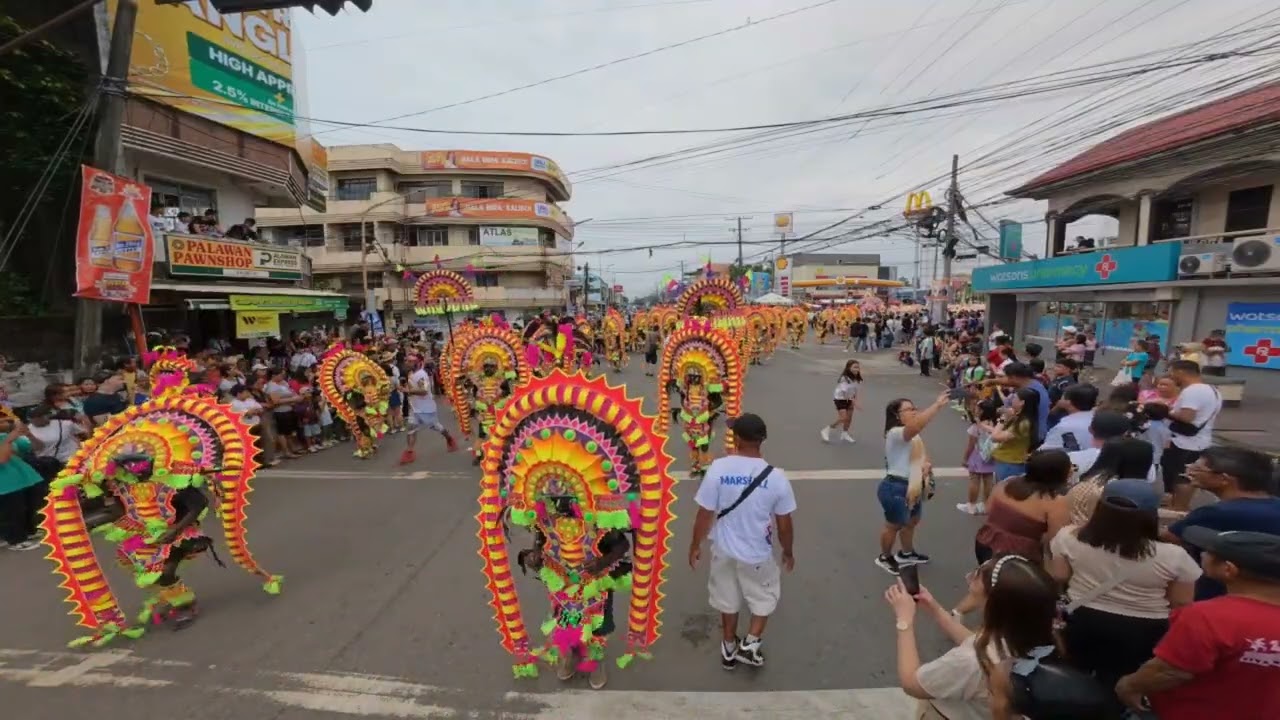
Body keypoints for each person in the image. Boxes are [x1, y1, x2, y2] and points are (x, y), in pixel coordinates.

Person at [1049, 479, 1200, 713]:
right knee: (1124, 679)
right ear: (1151, 514)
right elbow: (1181, 603)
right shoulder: (1174, 556)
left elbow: (1059, 575)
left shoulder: (1069, 537)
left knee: (1079, 672)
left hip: (1083, 618)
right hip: (1144, 628)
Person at [1116, 528, 1280, 720]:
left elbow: (1170, 671)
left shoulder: (1207, 616)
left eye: (1209, 552)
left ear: (1229, 569)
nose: (1202, 554)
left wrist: (1128, 686)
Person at [689, 413, 796, 670]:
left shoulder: (718, 469)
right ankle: (750, 643)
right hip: (757, 553)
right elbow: (784, 524)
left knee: (728, 597)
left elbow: (705, 513)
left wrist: (695, 545)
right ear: (762, 441)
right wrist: (788, 552)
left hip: (723, 549)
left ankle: (728, 645)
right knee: (764, 597)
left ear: (736, 438)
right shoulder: (777, 477)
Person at [883, 562, 1003, 720]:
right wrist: (934, 607)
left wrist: (904, 620)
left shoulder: (967, 662)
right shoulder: (1019, 637)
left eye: (977, 577)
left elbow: (911, 684)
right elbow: (977, 643)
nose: (969, 578)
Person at [1166, 446, 1280, 600]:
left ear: (1224, 479)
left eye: (1198, 468)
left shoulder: (1214, 513)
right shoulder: (1275, 504)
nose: (1189, 468)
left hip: (1216, 593)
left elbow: (1169, 536)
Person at [876, 392, 949, 575]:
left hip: (913, 486)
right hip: (896, 487)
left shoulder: (912, 436)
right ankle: (885, 556)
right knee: (893, 525)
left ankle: (906, 553)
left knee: (912, 521)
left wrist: (926, 464)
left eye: (914, 408)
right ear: (897, 415)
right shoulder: (895, 433)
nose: (914, 411)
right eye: (909, 409)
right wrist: (937, 405)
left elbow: (921, 452)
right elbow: (915, 427)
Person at [975, 449, 1071, 564]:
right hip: (1018, 558)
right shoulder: (1056, 502)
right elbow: (1056, 539)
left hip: (986, 542)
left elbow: (988, 509)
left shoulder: (1007, 483)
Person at [1163, 359, 1222, 511]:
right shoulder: (1213, 390)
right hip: (1199, 440)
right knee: (1186, 476)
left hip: (1185, 442)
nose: (1170, 376)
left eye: (1171, 372)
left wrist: (1165, 411)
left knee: (1181, 477)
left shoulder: (1193, 390)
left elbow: (1187, 417)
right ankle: (1178, 506)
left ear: (1180, 372)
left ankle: (1179, 508)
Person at [0, 414, 46, 551]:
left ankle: (29, 531)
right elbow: (2, 459)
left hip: (25, 478)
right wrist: (9, 440)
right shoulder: (6, 439)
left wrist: (29, 435)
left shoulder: (3, 436)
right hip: (6, 484)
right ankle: (16, 540)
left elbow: (38, 447)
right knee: (12, 513)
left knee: (30, 507)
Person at [400, 354, 457, 464]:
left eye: (410, 361)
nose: (407, 363)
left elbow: (424, 391)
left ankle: (449, 438)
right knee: (411, 429)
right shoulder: (411, 374)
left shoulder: (421, 375)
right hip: (415, 408)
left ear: (417, 362)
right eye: (407, 361)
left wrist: (408, 391)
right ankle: (409, 452)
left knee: (436, 427)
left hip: (426, 408)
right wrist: (406, 388)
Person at [983, 386, 1040, 482]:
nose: (1012, 400)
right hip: (1007, 461)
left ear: (1022, 402)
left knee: (1005, 491)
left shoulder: (1023, 423)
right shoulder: (1019, 418)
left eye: (1015, 398)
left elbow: (995, 437)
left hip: (1010, 463)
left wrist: (1003, 420)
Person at [959, 397, 999, 515]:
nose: (975, 408)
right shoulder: (995, 425)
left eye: (977, 407)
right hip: (990, 456)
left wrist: (965, 459)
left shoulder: (976, 427)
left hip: (977, 455)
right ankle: (987, 504)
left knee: (974, 480)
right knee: (988, 480)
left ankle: (971, 505)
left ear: (982, 411)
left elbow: (971, 445)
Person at [1041, 383, 1096, 452]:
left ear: (1068, 402)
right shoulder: (1097, 419)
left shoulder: (1064, 427)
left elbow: (1044, 451)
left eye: (1062, 397)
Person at [820, 359, 861, 444]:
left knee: (849, 418)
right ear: (849, 368)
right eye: (855, 367)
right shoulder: (844, 378)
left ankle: (845, 434)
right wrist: (854, 402)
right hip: (840, 399)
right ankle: (826, 430)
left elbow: (856, 390)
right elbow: (844, 392)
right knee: (843, 418)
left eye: (858, 367)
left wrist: (855, 400)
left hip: (849, 399)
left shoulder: (857, 378)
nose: (857, 369)